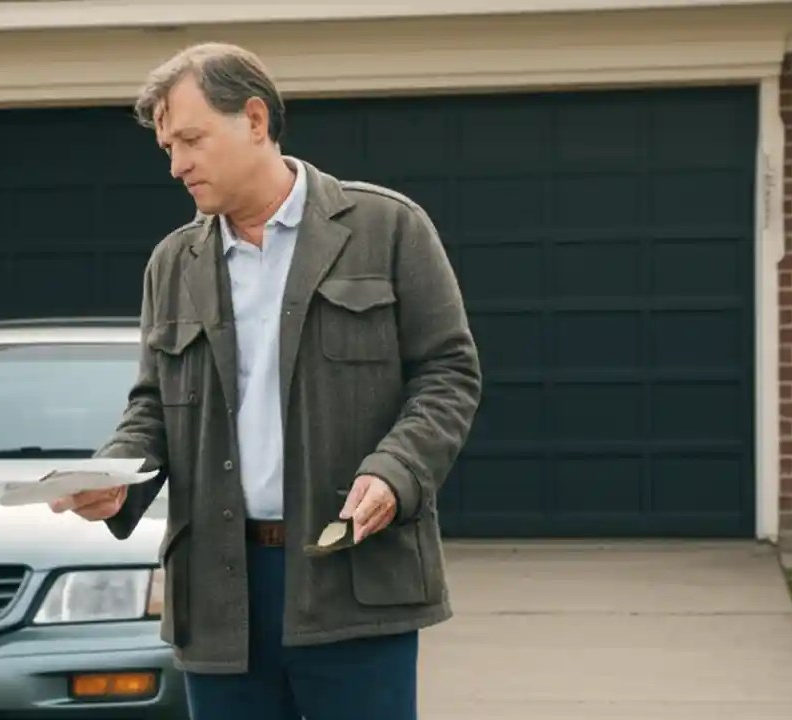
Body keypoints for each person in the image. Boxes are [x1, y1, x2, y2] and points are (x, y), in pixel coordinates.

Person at [49, 42, 481, 720]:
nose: (176, 165)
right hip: (217, 594)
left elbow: (448, 373)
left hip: (354, 578)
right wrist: (115, 475)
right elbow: (152, 409)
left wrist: (397, 471)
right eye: (167, 147)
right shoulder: (173, 264)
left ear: (254, 119)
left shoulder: (386, 229)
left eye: (190, 139)